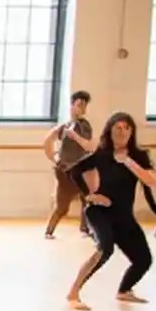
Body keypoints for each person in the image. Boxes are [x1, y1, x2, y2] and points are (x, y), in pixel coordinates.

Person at [64, 113, 156, 311]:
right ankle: (73, 293)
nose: (122, 132)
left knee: (144, 260)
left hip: (124, 216)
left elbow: (151, 181)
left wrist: (128, 162)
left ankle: (124, 291)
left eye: (127, 128)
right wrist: (91, 195)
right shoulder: (101, 154)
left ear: (132, 132)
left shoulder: (139, 156)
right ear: (110, 131)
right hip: (100, 212)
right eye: (118, 128)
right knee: (105, 249)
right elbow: (73, 172)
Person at [42, 91, 96, 238]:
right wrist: (54, 158)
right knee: (62, 207)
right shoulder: (65, 126)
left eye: (84, 105)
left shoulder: (84, 126)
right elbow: (48, 141)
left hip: (81, 170)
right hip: (66, 172)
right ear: (72, 105)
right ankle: (49, 231)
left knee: (88, 199)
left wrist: (75, 137)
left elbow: (89, 146)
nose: (82, 108)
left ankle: (85, 228)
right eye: (79, 104)